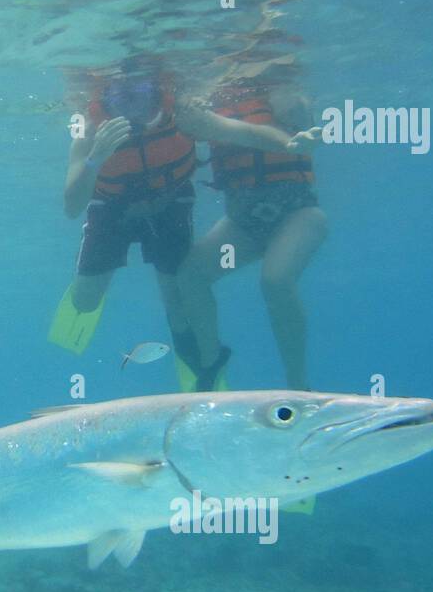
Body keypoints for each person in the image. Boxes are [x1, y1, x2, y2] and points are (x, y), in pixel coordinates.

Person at [49, 56, 316, 389]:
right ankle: (86, 288)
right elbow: (72, 207)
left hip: (168, 206)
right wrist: (96, 158)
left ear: (160, 93)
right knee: (84, 302)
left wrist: (288, 143)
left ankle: (202, 362)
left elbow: (245, 132)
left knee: (176, 298)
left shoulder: (185, 117)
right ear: (106, 100)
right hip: (111, 210)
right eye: (121, 99)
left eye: (143, 95)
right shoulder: (90, 132)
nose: (134, 110)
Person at [177, 57, 325, 390]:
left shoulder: (277, 87)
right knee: (190, 275)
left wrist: (297, 110)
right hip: (242, 223)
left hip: (298, 213)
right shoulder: (205, 96)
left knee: (276, 280)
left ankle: (298, 384)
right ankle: (211, 359)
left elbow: (290, 125)